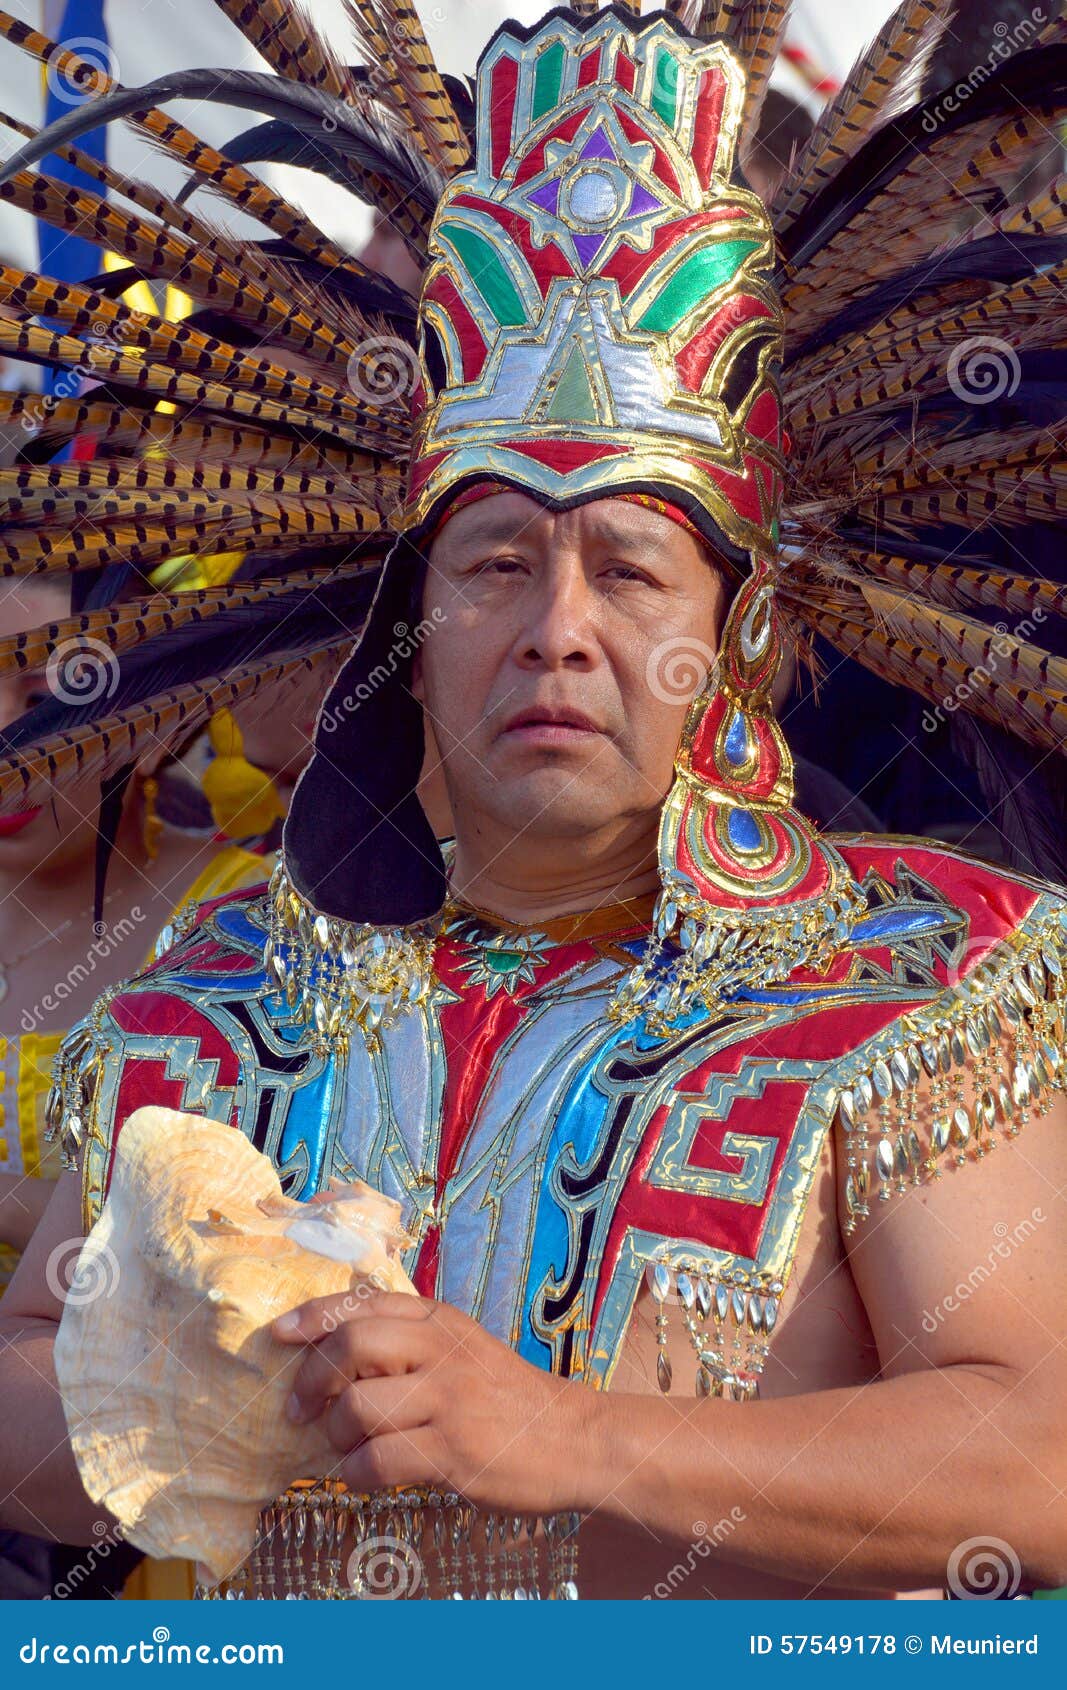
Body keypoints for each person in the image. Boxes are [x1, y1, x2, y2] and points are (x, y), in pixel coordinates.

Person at [0, 0, 1065, 1602]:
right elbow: (26, 1364)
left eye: (632, 568)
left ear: (744, 633)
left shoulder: (920, 983)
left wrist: (559, 1437)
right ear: (412, 634)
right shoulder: (221, 991)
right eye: (495, 561)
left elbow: (1039, 1463)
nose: (558, 626)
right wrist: (201, 1402)